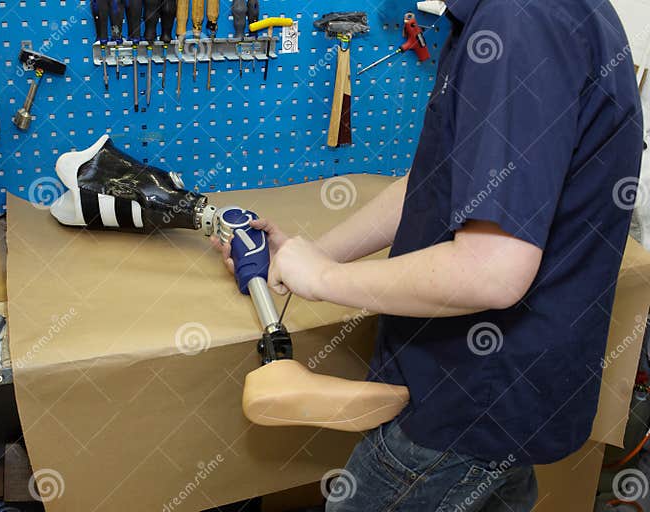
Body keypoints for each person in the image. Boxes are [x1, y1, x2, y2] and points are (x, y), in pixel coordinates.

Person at [214, 0, 644, 510]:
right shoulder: (524, 16)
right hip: (500, 399)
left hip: (465, 403)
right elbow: (436, 184)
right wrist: (311, 255)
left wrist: (323, 278)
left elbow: (491, 272)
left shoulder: (517, 22)